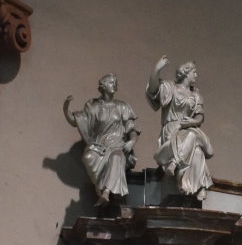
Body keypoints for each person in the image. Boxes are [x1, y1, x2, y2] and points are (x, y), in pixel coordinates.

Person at [62, 74, 140, 205]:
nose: (114, 85)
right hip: (100, 147)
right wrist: (65, 109)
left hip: (118, 146)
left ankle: (106, 192)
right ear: (103, 86)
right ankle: (103, 186)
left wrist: (132, 142)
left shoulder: (123, 107)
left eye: (115, 83)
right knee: (88, 157)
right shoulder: (93, 106)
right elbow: (76, 121)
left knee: (116, 158)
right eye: (111, 82)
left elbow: (132, 129)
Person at [146, 56, 215, 202]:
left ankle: (176, 166)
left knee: (196, 148)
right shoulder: (170, 87)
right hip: (172, 131)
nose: (196, 75)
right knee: (195, 145)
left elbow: (200, 117)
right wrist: (157, 70)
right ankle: (200, 185)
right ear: (186, 73)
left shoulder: (196, 95)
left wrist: (192, 121)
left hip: (189, 127)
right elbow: (153, 89)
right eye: (194, 72)